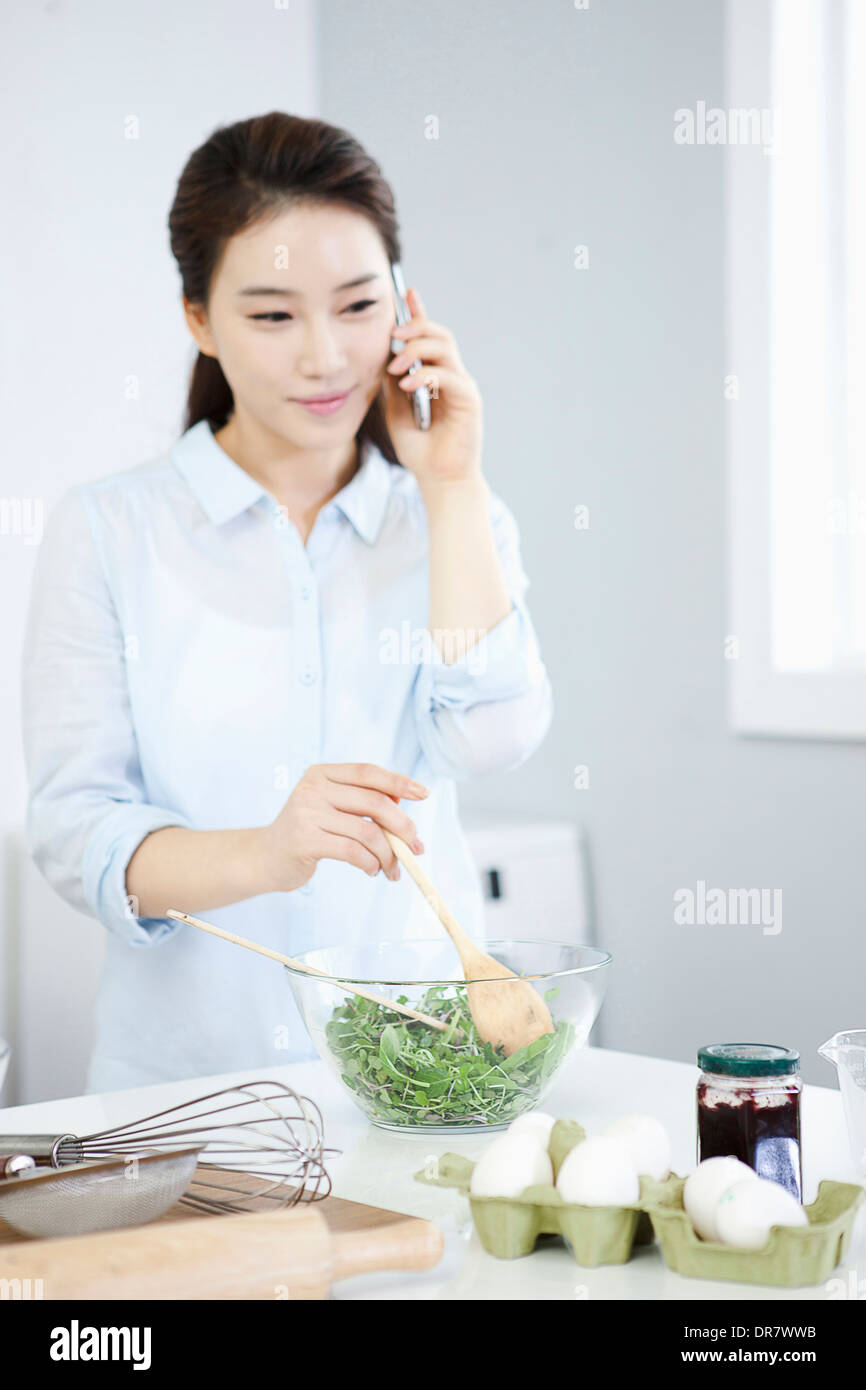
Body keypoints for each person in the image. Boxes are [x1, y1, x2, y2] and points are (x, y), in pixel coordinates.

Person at [21, 112, 553, 1092]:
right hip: (186, 1103)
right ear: (197, 318)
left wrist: (450, 484)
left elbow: (491, 741)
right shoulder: (107, 531)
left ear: (402, 303)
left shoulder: (451, 511)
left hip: (420, 1080)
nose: (325, 357)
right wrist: (268, 851)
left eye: (358, 306)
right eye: (272, 316)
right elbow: (74, 834)